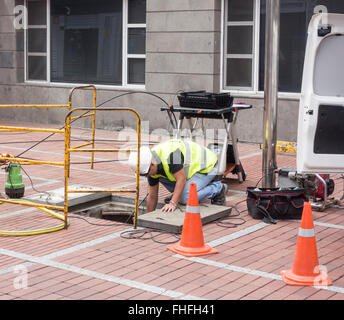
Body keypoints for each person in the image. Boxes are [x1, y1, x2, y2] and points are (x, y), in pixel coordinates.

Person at [128, 139, 228, 213]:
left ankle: (218, 188)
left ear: (152, 165)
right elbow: (152, 196)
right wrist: (148, 218)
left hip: (207, 166)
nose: (146, 176)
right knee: (173, 188)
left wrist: (173, 203)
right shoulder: (150, 164)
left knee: (185, 198)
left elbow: (181, 179)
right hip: (188, 170)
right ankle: (182, 193)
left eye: (146, 174)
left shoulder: (170, 157)